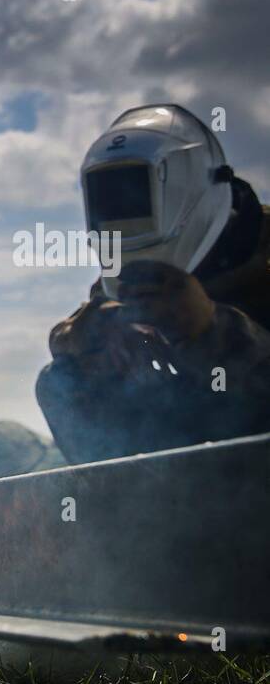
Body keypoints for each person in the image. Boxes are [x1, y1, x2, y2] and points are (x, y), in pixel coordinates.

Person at [36, 104, 270, 464]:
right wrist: (79, 340)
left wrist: (209, 331)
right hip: (190, 479)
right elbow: (75, 333)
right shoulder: (128, 276)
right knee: (65, 379)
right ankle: (144, 510)